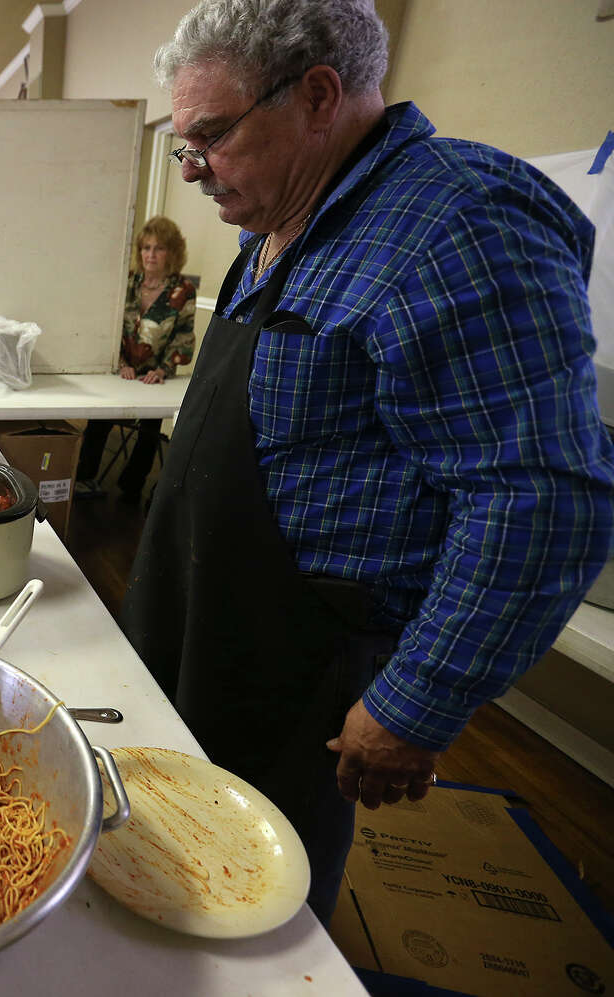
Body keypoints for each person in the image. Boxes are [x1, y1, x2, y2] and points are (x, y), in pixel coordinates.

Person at [121, 0, 614, 925]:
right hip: (204, 617)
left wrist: (413, 704)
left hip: (300, 666)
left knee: (252, 914)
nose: (194, 174)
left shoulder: (460, 223)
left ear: (316, 96)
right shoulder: (274, 222)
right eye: (185, 147)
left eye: (211, 140)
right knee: (162, 871)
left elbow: (541, 500)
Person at [75, 216, 197, 503]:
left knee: (151, 427)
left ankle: (132, 485)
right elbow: (109, 329)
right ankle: (84, 479)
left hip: (154, 375)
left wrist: (163, 369)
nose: (150, 255)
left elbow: (183, 336)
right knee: (99, 418)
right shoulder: (127, 283)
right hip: (120, 371)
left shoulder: (183, 291)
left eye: (159, 248)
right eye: (146, 247)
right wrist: (119, 362)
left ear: (173, 253)